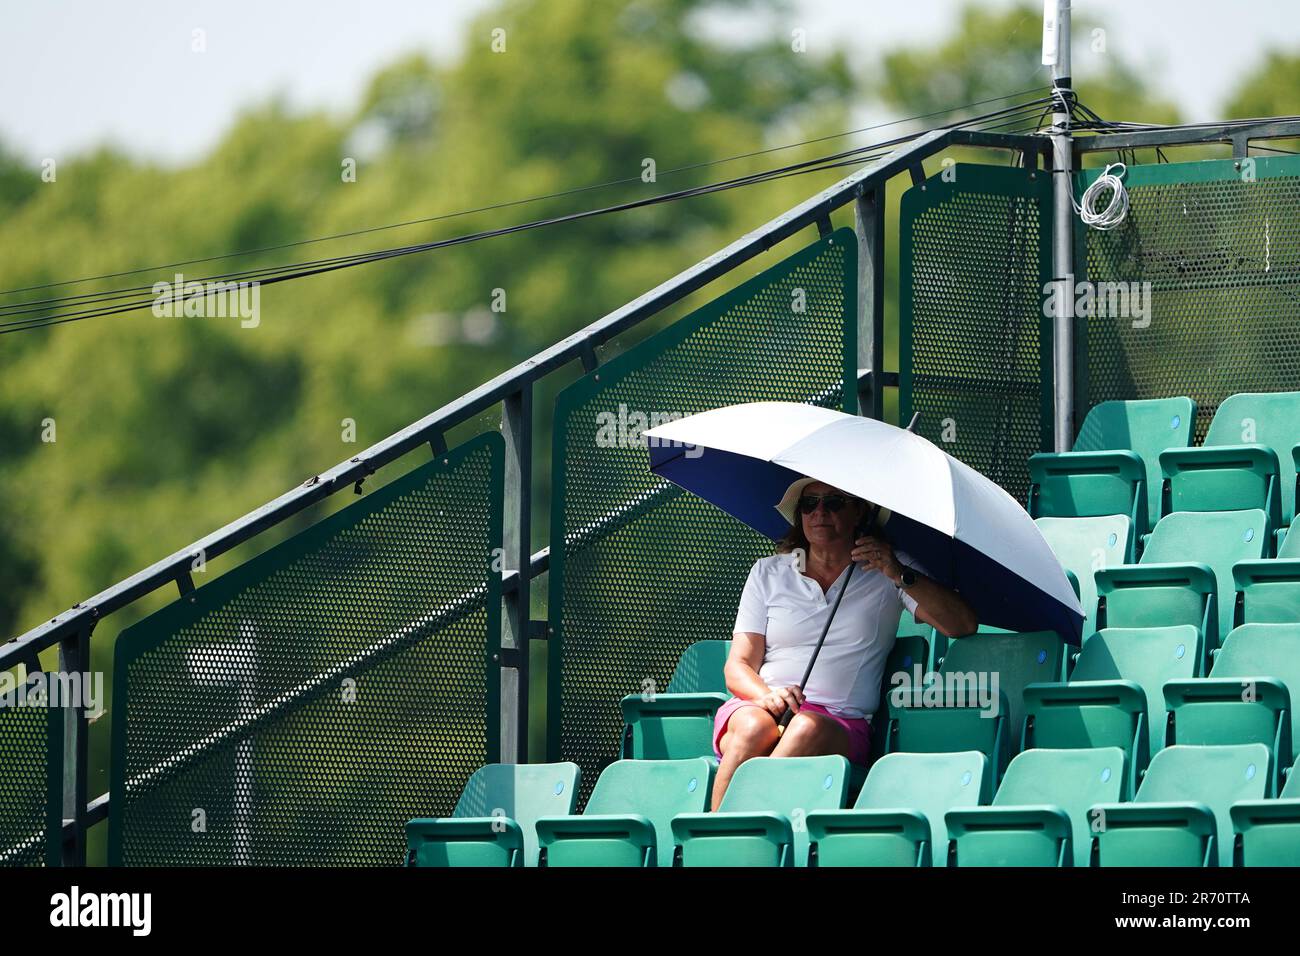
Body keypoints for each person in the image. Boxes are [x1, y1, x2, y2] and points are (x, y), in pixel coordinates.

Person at [710, 476, 977, 810]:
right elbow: (738, 666)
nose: (820, 512)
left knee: (807, 727)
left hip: (839, 721)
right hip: (763, 705)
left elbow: (961, 625)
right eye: (809, 504)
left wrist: (897, 573)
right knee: (751, 727)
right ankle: (713, 833)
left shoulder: (891, 568)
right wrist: (769, 697)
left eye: (834, 502)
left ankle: (742, 836)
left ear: (860, 514)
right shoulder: (768, 572)